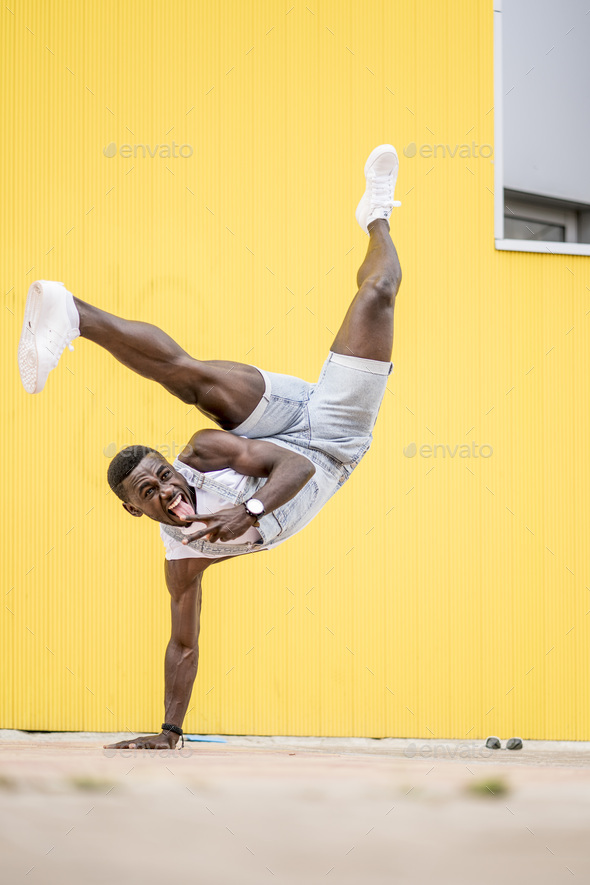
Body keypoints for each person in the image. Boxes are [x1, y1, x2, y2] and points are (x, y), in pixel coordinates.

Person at [18, 144, 403, 750]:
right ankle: (375, 218)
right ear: (133, 511)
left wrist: (244, 512)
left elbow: (288, 464)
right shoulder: (182, 557)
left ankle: (75, 313)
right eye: (151, 494)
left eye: (162, 476)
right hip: (335, 439)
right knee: (378, 294)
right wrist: (169, 731)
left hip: (287, 433)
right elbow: (184, 641)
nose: (168, 492)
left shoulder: (201, 454)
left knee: (196, 380)